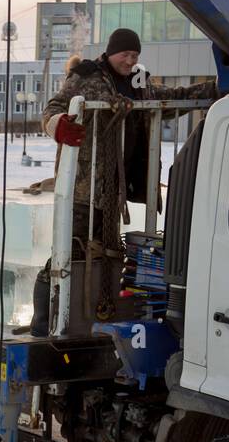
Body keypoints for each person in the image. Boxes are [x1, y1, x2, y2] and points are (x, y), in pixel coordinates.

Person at [32, 28, 216, 329]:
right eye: (125, 55)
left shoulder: (138, 83)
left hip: (113, 189)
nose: (130, 61)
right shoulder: (87, 76)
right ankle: (47, 322)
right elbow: (54, 107)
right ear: (111, 52)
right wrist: (58, 125)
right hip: (83, 187)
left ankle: (94, 316)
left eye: (135, 55)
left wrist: (216, 89)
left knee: (107, 256)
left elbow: (168, 98)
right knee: (71, 253)